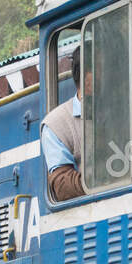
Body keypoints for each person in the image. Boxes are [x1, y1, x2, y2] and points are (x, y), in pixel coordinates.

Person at [41, 49, 85, 202]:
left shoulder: (123, 110)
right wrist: (107, 181)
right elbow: (63, 186)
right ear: (87, 77)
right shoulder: (56, 124)